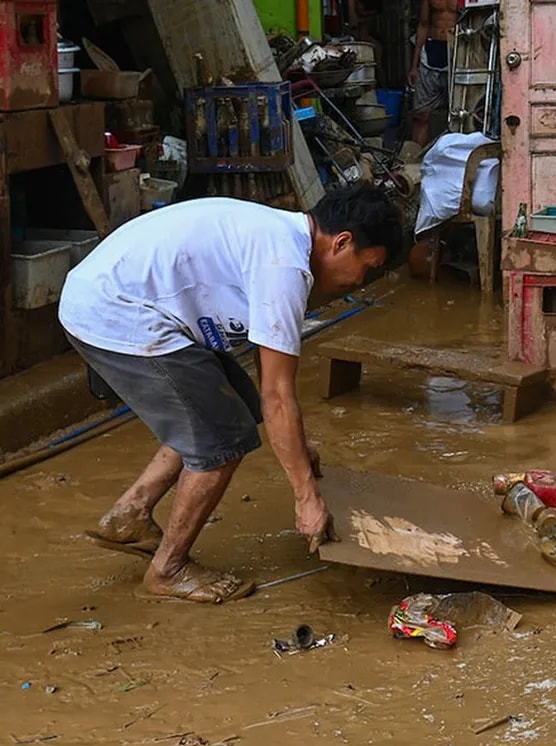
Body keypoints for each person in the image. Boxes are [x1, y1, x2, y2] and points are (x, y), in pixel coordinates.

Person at [57, 184, 402, 604]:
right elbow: (276, 396)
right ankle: (169, 568)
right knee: (223, 441)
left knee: (227, 408)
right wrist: (305, 495)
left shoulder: (283, 242)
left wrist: (297, 445)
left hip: (122, 299)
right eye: (367, 267)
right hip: (115, 311)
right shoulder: (285, 266)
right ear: (342, 242)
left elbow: (272, 374)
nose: (360, 282)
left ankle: (130, 512)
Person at [409, 0, 457, 146]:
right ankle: (415, 157)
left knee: (461, 115)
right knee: (421, 115)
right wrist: (414, 66)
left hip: (459, 52)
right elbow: (423, 25)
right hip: (431, 50)